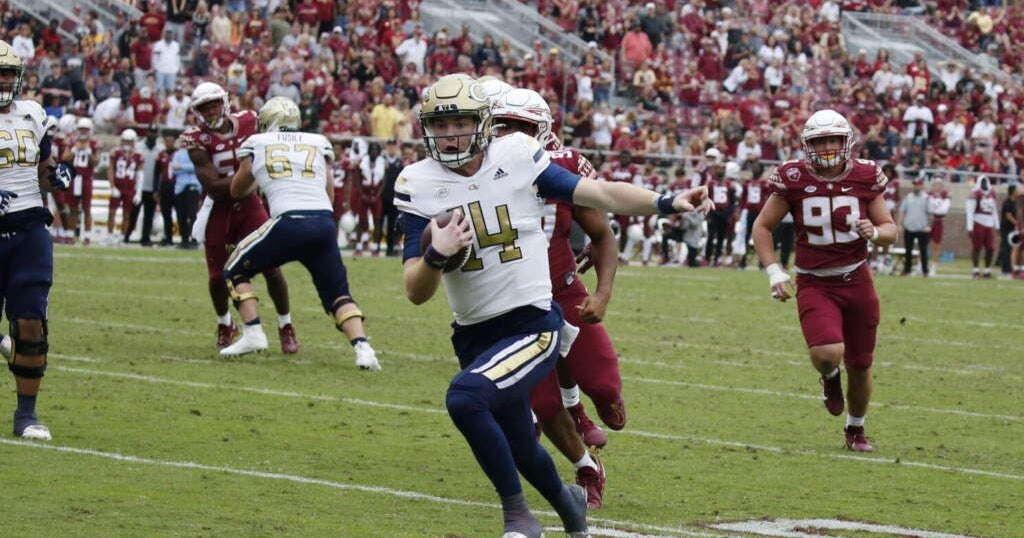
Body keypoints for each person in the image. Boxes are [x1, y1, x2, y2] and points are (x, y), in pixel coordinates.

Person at [395, 74, 711, 537]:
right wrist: (436, 254)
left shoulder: (518, 156)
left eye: (458, 122)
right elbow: (415, 290)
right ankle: (571, 510)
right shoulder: (416, 181)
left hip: (533, 324)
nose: (448, 135)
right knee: (520, 442)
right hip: (474, 333)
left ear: (482, 123)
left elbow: (601, 193)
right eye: (438, 126)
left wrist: (668, 201)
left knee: (464, 398)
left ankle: (519, 517)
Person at [492, 87, 622, 508]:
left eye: (521, 128)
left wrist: (602, 294)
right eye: (503, 127)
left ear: (542, 131)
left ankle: (585, 405)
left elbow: (602, 234)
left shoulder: (561, 166)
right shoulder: (477, 173)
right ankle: (588, 467)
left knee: (606, 388)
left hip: (564, 291)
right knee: (544, 406)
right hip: (514, 304)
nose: (510, 137)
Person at [752, 109, 897, 453]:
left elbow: (890, 229)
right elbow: (762, 227)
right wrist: (774, 270)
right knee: (827, 353)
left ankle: (855, 429)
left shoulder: (865, 176)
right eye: (820, 141)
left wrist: (874, 232)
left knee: (861, 365)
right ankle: (830, 378)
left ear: (846, 142)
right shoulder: (793, 178)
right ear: (807, 145)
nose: (828, 147)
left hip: (858, 279)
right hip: (815, 282)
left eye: (833, 139)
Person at [220, 97, 380, 368]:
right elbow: (328, 191)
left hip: (287, 221)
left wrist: (261, 180)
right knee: (337, 293)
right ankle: (364, 349)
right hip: (322, 223)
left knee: (233, 270)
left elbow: (237, 189)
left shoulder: (258, 143)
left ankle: (253, 332)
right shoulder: (316, 142)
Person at [178, 82, 299, 353]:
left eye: (213, 104)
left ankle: (285, 325)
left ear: (225, 102)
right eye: (204, 107)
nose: (210, 111)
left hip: (249, 205)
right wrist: (252, 178)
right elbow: (212, 185)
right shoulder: (195, 138)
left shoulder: (249, 121)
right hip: (218, 207)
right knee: (216, 276)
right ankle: (225, 323)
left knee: (271, 267)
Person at [0, 41, 73, 440]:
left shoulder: (31, 113)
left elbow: (45, 169)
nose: (2, 80)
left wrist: (58, 177)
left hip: (29, 231)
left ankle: (26, 415)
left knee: (31, 325)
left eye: (7, 73)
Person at [106, 129, 144, 242]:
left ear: (134, 141)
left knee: (127, 214)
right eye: (125, 141)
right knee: (112, 212)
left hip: (130, 187)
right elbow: (110, 170)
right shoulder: (115, 153)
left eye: (129, 141)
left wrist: (139, 191)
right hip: (118, 185)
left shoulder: (138, 156)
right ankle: (110, 236)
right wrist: (112, 187)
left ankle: (123, 237)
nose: (127, 143)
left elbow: (140, 174)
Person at [965, 175, 998, 279]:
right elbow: (970, 211)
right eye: (982, 182)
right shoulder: (975, 194)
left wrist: (997, 225)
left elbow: (994, 211)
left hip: (990, 223)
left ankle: (987, 270)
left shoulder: (992, 193)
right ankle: (975, 270)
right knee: (977, 247)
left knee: (991, 248)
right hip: (978, 221)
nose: (984, 184)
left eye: (985, 182)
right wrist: (970, 227)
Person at [897, 177, 931, 276]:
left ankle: (925, 271)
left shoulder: (926, 198)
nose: (916, 187)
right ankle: (907, 270)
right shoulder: (908, 197)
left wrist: (928, 225)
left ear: (921, 186)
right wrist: (899, 224)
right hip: (909, 227)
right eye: (915, 185)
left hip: (922, 228)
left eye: (918, 185)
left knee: (923, 250)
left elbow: (930, 213)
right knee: (908, 250)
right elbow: (902, 211)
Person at [925, 175, 951, 276]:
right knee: (924, 243)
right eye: (936, 184)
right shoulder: (928, 195)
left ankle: (933, 266)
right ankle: (921, 264)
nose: (937, 187)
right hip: (928, 219)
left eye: (939, 185)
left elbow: (943, 210)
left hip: (938, 220)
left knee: (936, 245)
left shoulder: (945, 196)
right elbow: (927, 207)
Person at [998, 184, 1019, 278]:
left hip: (1013, 230)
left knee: (1013, 249)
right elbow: (1008, 216)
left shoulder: (1016, 202)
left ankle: (1013, 268)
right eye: (1016, 190)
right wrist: (1018, 224)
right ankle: (1005, 270)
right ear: (1012, 192)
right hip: (1006, 229)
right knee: (1006, 249)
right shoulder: (1007, 202)